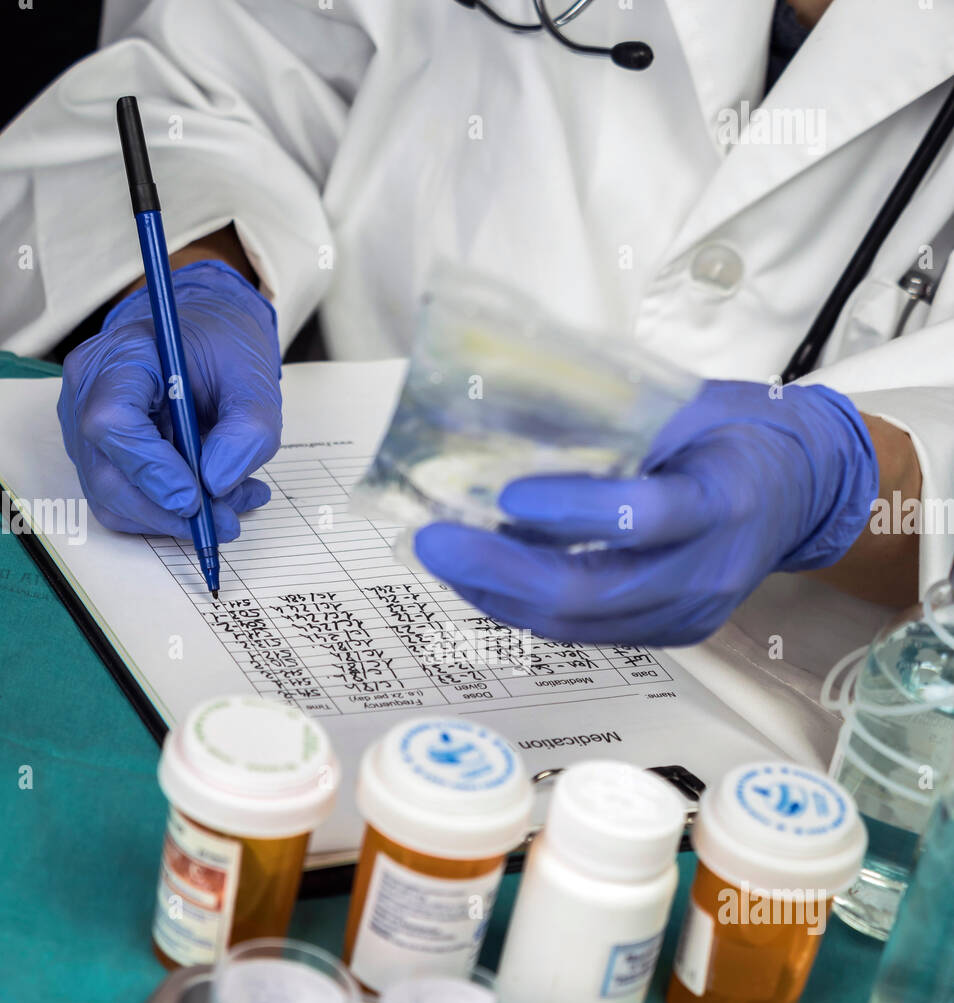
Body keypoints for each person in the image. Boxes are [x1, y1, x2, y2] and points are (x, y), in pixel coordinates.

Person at [3, 0, 954, 763]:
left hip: (803, 732)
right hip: (354, 552)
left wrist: (853, 480)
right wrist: (196, 273)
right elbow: (214, 74)